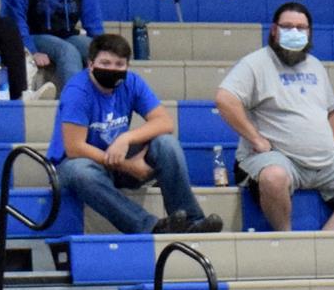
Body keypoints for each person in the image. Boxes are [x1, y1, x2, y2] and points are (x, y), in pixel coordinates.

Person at [213, 4, 334, 233]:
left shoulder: (316, 65)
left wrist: (333, 143)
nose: (294, 32)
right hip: (279, 158)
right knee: (274, 177)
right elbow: (225, 99)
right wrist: (255, 139)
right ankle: (286, 236)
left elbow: (330, 111)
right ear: (274, 30)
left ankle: (330, 232)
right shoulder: (255, 63)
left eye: (301, 28)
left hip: (325, 161)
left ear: (309, 32)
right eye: (287, 27)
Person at [50, 33, 220, 237]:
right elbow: (74, 147)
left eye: (119, 64)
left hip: (117, 156)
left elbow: (165, 122)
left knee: (166, 143)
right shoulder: (77, 91)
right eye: (105, 63)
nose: (112, 69)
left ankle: (191, 221)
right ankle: (150, 226)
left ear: (127, 67)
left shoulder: (131, 82)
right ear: (90, 64)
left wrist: (126, 138)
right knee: (80, 171)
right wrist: (127, 165)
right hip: (80, 163)